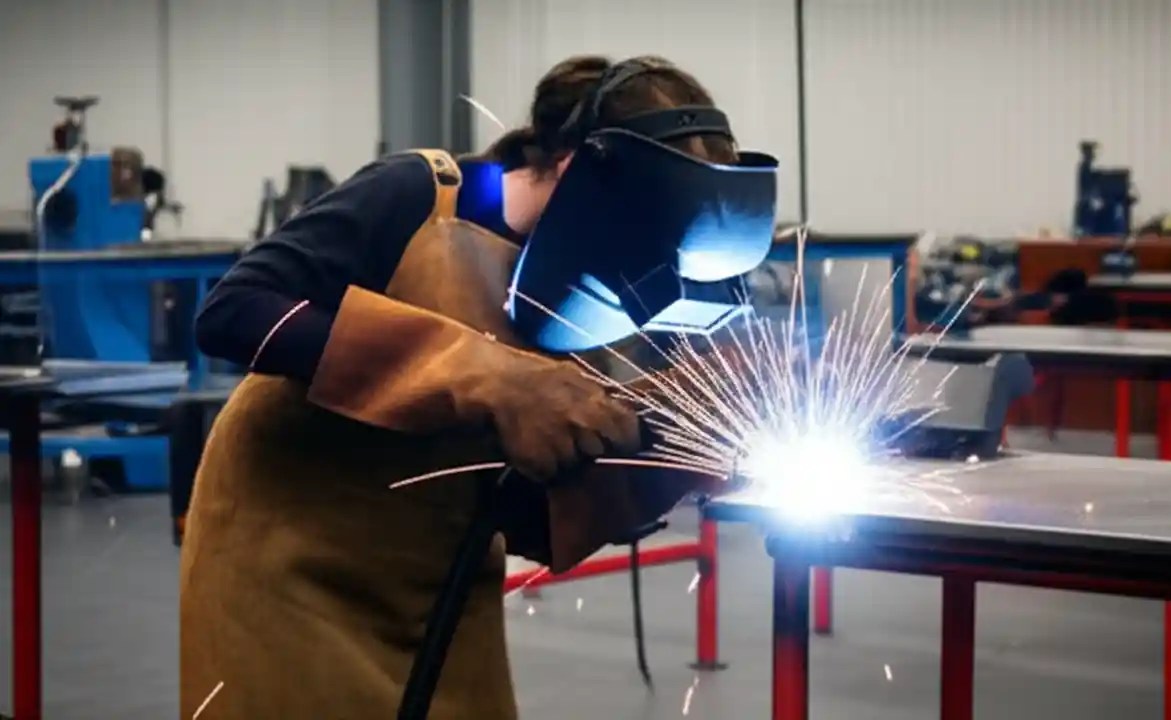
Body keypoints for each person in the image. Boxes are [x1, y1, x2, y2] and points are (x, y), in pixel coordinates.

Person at [180, 55, 777, 719]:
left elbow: (518, 516)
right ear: (582, 175)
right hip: (288, 573)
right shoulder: (417, 197)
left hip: (437, 589)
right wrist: (485, 373)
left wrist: (661, 446)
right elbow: (232, 313)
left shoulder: (576, 300)